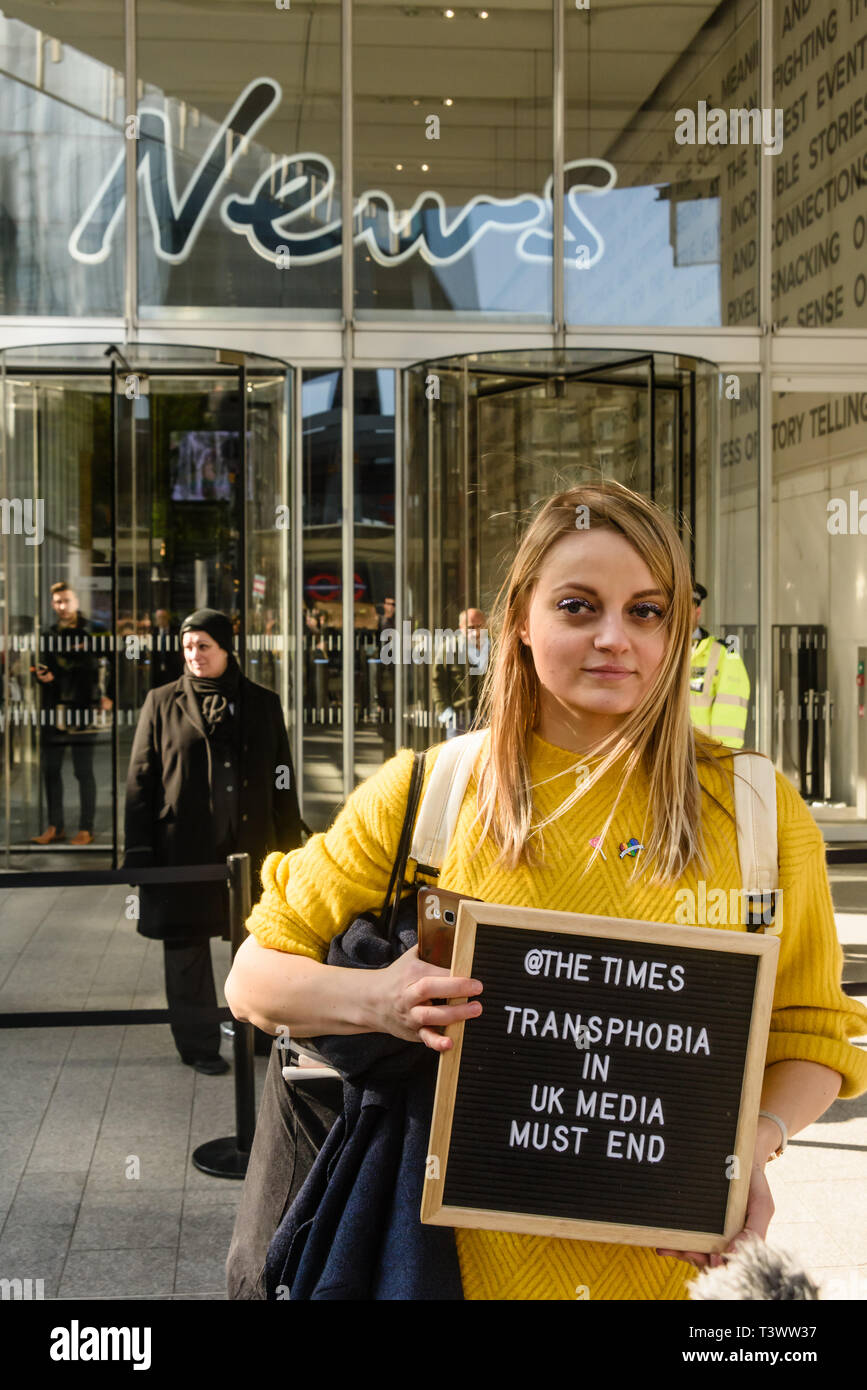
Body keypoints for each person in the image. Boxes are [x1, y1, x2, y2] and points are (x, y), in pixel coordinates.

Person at [225, 481, 867, 1300]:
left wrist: (750, 1140)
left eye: (647, 611)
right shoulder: (429, 790)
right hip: (436, 1268)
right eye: (577, 606)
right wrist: (380, 1001)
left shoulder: (755, 809)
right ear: (520, 623)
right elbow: (252, 979)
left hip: (653, 1272)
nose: (615, 638)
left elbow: (812, 1032)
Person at [124, 608, 303, 1075]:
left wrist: (291, 845)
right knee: (186, 950)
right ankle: (198, 1045)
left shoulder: (263, 703)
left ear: (226, 648)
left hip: (251, 851)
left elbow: (282, 777)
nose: (194, 655)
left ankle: (264, 1037)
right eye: (188, 647)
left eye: (204, 646)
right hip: (181, 852)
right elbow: (140, 781)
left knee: (260, 944)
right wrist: (139, 854)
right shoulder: (161, 701)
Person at [31, 581, 113, 846]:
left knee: (83, 770)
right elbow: (41, 667)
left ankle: (85, 828)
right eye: (57, 602)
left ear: (77, 602)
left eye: (66, 600)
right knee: (51, 769)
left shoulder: (94, 630)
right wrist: (42, 677)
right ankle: (56, 826)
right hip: (54, 707)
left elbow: (112, 664)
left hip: (82, 707)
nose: (61, 607)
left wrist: (109, 695)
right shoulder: (47, 632)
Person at [689, 582, 751, 749]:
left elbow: (730, 717)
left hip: (702, 758)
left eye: (686, 609)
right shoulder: (656, 648)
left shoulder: (725, 653)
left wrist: (723, 759)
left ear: (697, 612)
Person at [432, 607, 489, 739]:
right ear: (461, 628)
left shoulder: (494, 645)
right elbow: (437, 681)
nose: (476, 632)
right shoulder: (449, 648)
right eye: (471, 627)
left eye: (479, 626)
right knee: (457, 758)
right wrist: (446, 713)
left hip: (488, 715)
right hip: (459, 717)